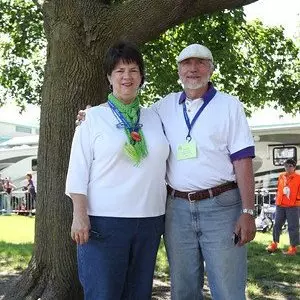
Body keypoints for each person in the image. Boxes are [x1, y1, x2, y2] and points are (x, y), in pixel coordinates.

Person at [77, 43, 256, 299]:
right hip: (177, 210)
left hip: (222, 207)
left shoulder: (230, 106)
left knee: (227, 288)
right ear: (179, 71)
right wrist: (92, 115)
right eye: (186, 64)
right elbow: (128, 114)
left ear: (211, 69)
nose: (193, 69)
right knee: (182, 289)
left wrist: (248, 212)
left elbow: (243, 160)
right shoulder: (163, 108)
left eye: (201, 63)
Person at [66, 41, 169, 300]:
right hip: (104, 222)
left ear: (142, 77)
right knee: (104, 294)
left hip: (149, 220)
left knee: (138, 293)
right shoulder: (92, 119)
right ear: (109, 77)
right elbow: (78, 170)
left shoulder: (155, 117)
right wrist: (80, 216)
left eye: (133, 70)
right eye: (119, 70)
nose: (127, 77)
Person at [266, 158, 300, 255]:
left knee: (293, 226)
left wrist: (296, 199)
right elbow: (280, 189)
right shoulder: (281, 176)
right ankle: (274, 244)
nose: (288, 168)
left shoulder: (298, 177)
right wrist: (277, 199)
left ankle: (293, 248)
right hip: (280, 205)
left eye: (290, 166)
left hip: (293, 206)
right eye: (286, 166)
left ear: (294, 167)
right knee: (277, 225)